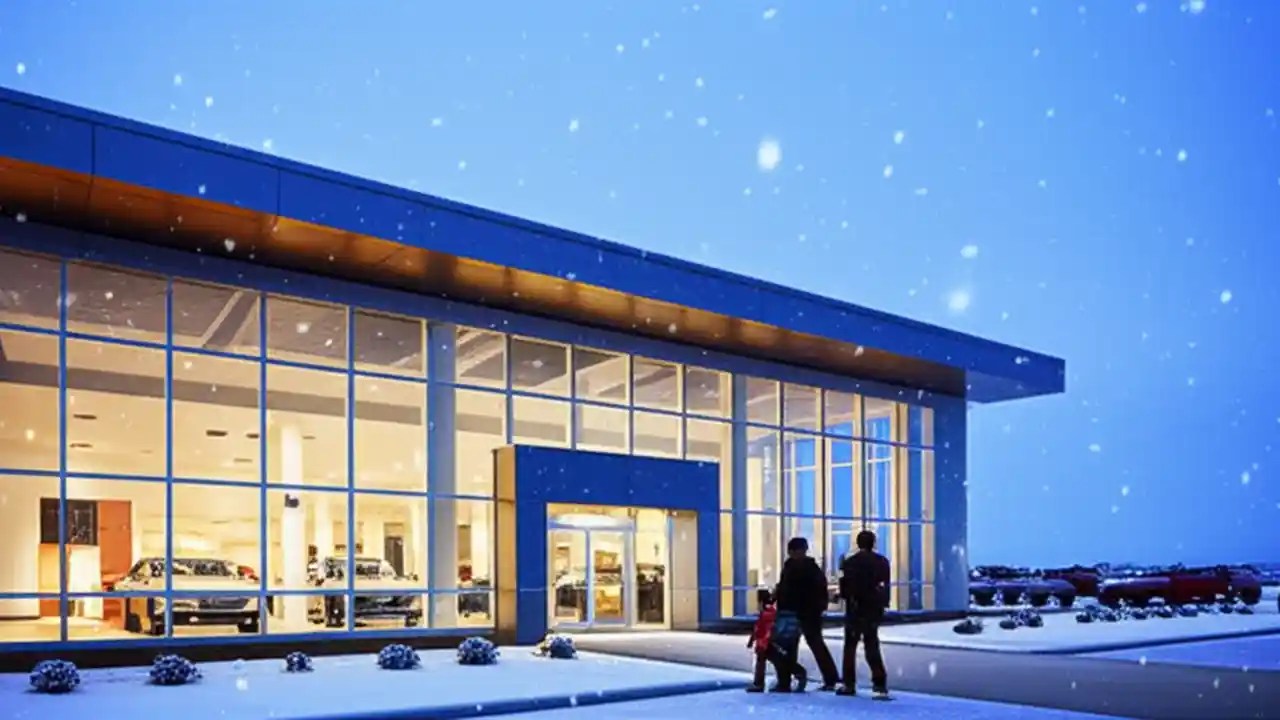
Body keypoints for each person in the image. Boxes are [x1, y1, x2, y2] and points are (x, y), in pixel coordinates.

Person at [773, 537, 840, 692]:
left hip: (801, 613)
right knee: (810, 645)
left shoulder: (802, 569)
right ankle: (828, 678)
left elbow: (795, 591)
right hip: (802, 613)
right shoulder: (803, 568)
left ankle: (787, 681)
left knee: (797, 646)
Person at [837, 530, 891, 699]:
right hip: (872, 609)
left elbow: (844, 586)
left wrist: (848, 597)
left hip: (855, 608)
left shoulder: (850, 562)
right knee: (872, 645)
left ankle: (849, 683)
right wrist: (882, 604)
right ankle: (879, 682)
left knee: (850, 647)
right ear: (873, 543)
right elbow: (884, 585)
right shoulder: (882, 562)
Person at [745, 588, 806, 693]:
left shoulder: (767, 613)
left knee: (775, 661)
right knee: (778, 660)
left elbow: (763, 630)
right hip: (767, 643)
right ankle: (795, 673)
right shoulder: (768, 612)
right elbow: (759, 629)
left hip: (767, 644)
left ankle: (760, 683)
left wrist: (760, 642)